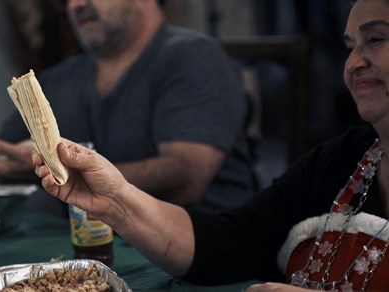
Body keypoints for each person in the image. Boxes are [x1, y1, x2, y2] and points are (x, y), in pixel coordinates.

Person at [33, 0, 389, 290]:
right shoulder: (342, 160)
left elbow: (186, 172)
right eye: (349, 46)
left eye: (375, 39)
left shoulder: (190, 56)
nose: (353, 62)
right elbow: (229, 244)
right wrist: (116, 201)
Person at [0, 0, 257, 214]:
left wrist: (63, 174)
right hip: (88, 251)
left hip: (202, 255)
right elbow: (5, 153)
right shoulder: (61, 78)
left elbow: (186, 179)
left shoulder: (192, 57)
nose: (76, 4)